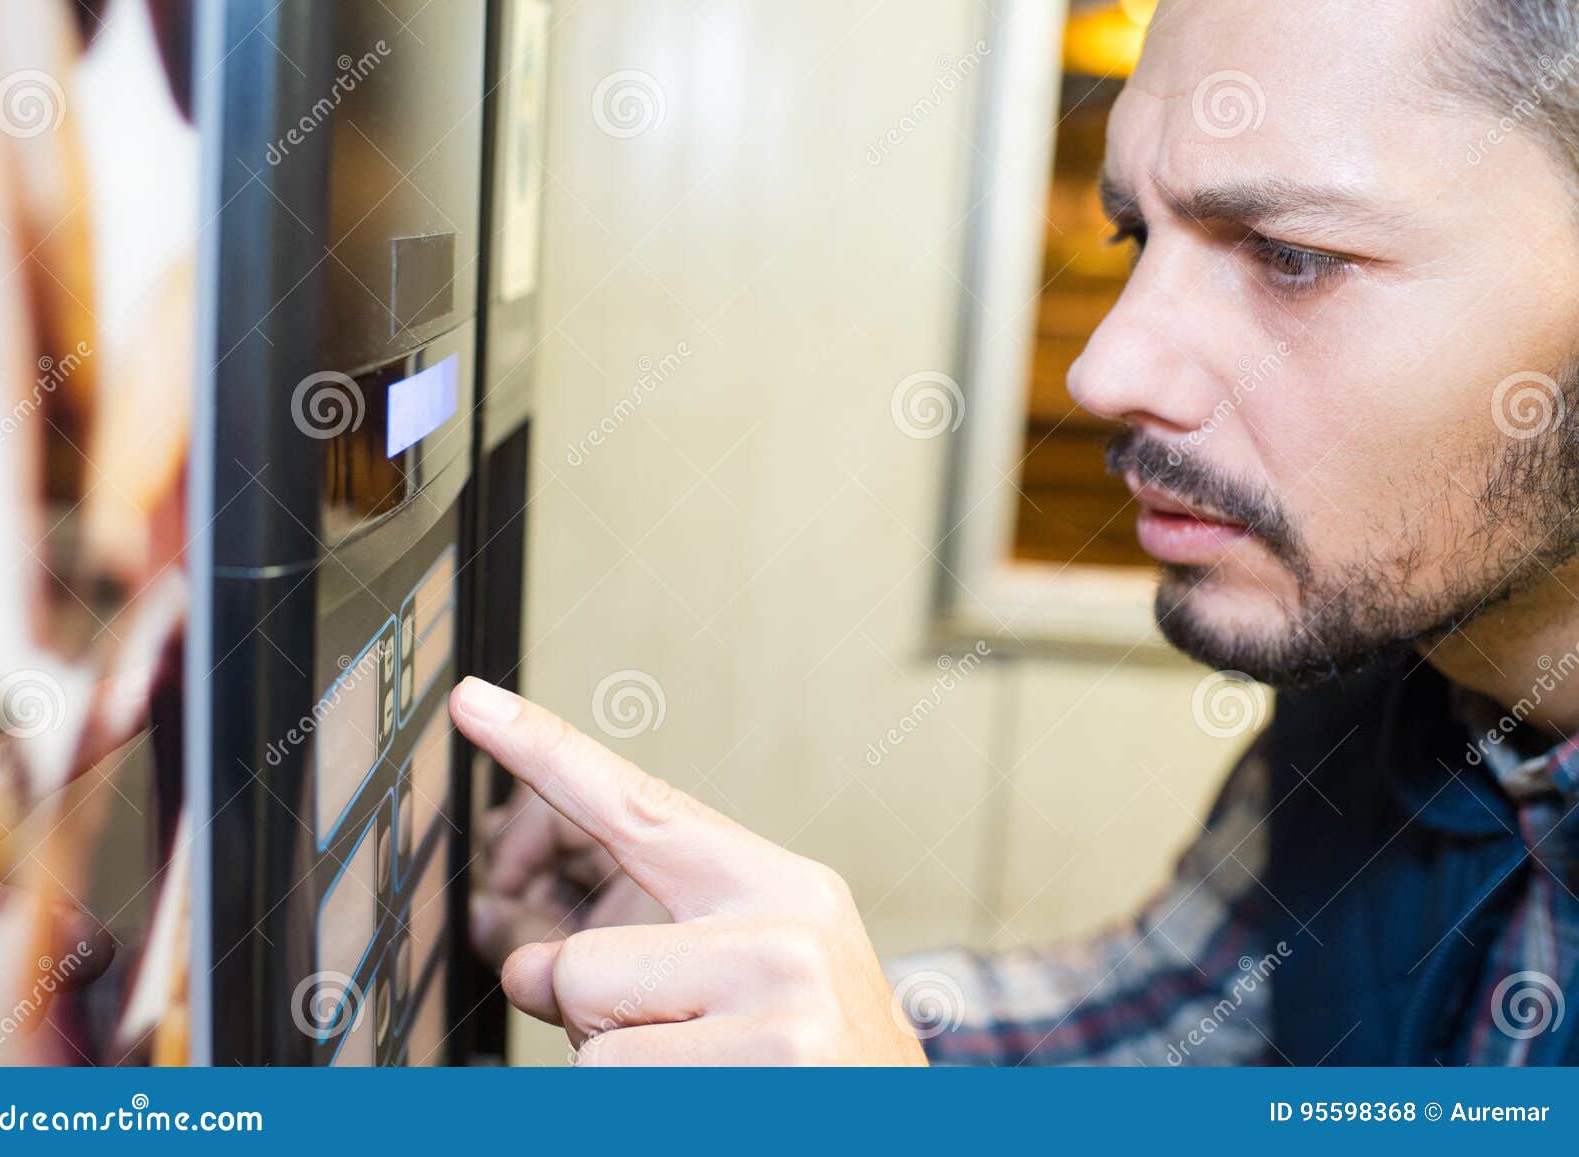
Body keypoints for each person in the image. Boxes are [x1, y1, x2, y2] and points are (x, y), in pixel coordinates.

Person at [452, 0, 1579, 1065]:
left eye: (1289, 255)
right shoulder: (1374, 696)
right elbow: (1167, 1020)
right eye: (1137, 231)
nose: (1105, 370)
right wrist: (728, 979)